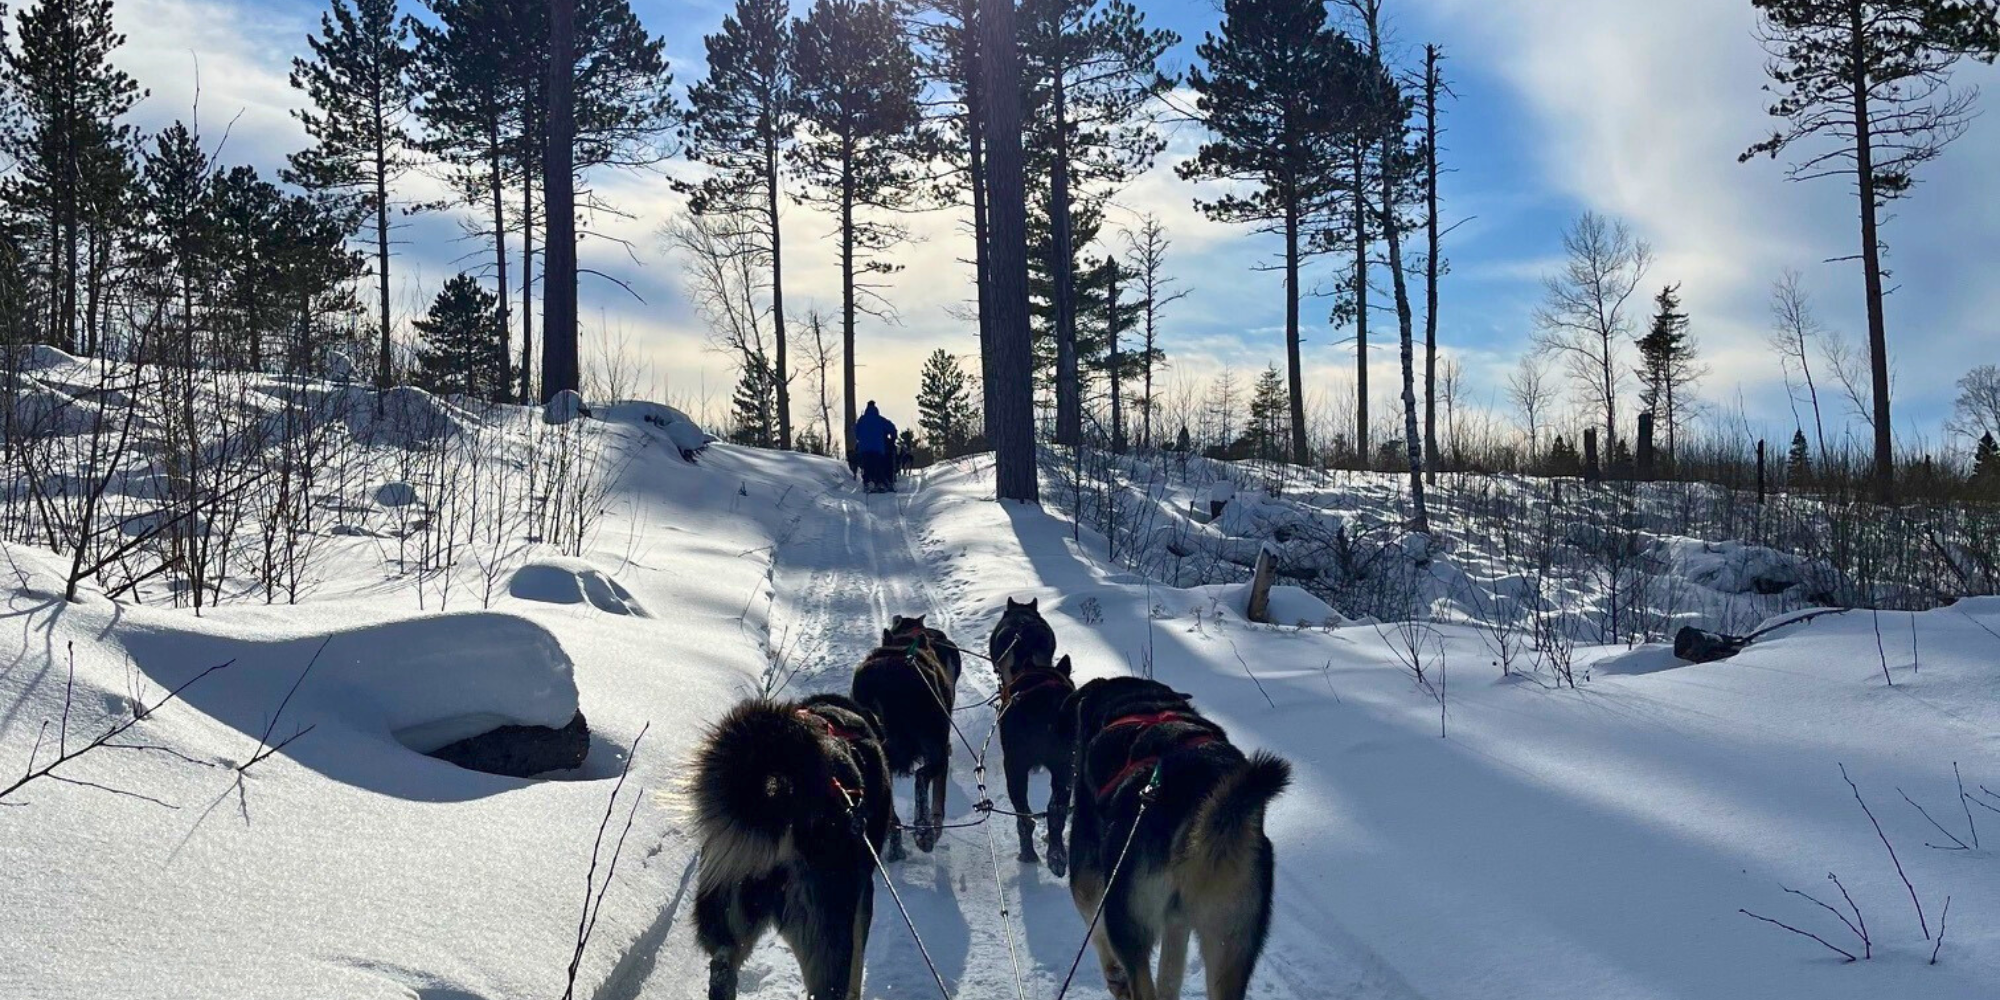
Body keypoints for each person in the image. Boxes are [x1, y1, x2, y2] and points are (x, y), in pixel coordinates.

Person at [853, 401, 897, 492]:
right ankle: (880, 483)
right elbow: (892, 428)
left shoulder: (861, 420)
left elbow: (856, 433)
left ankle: (868, 482)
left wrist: (862, 439)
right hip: (878, 449)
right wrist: (892, 438)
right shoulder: (880, 419)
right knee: (879, 465)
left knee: (867, 466)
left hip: (864, 449)